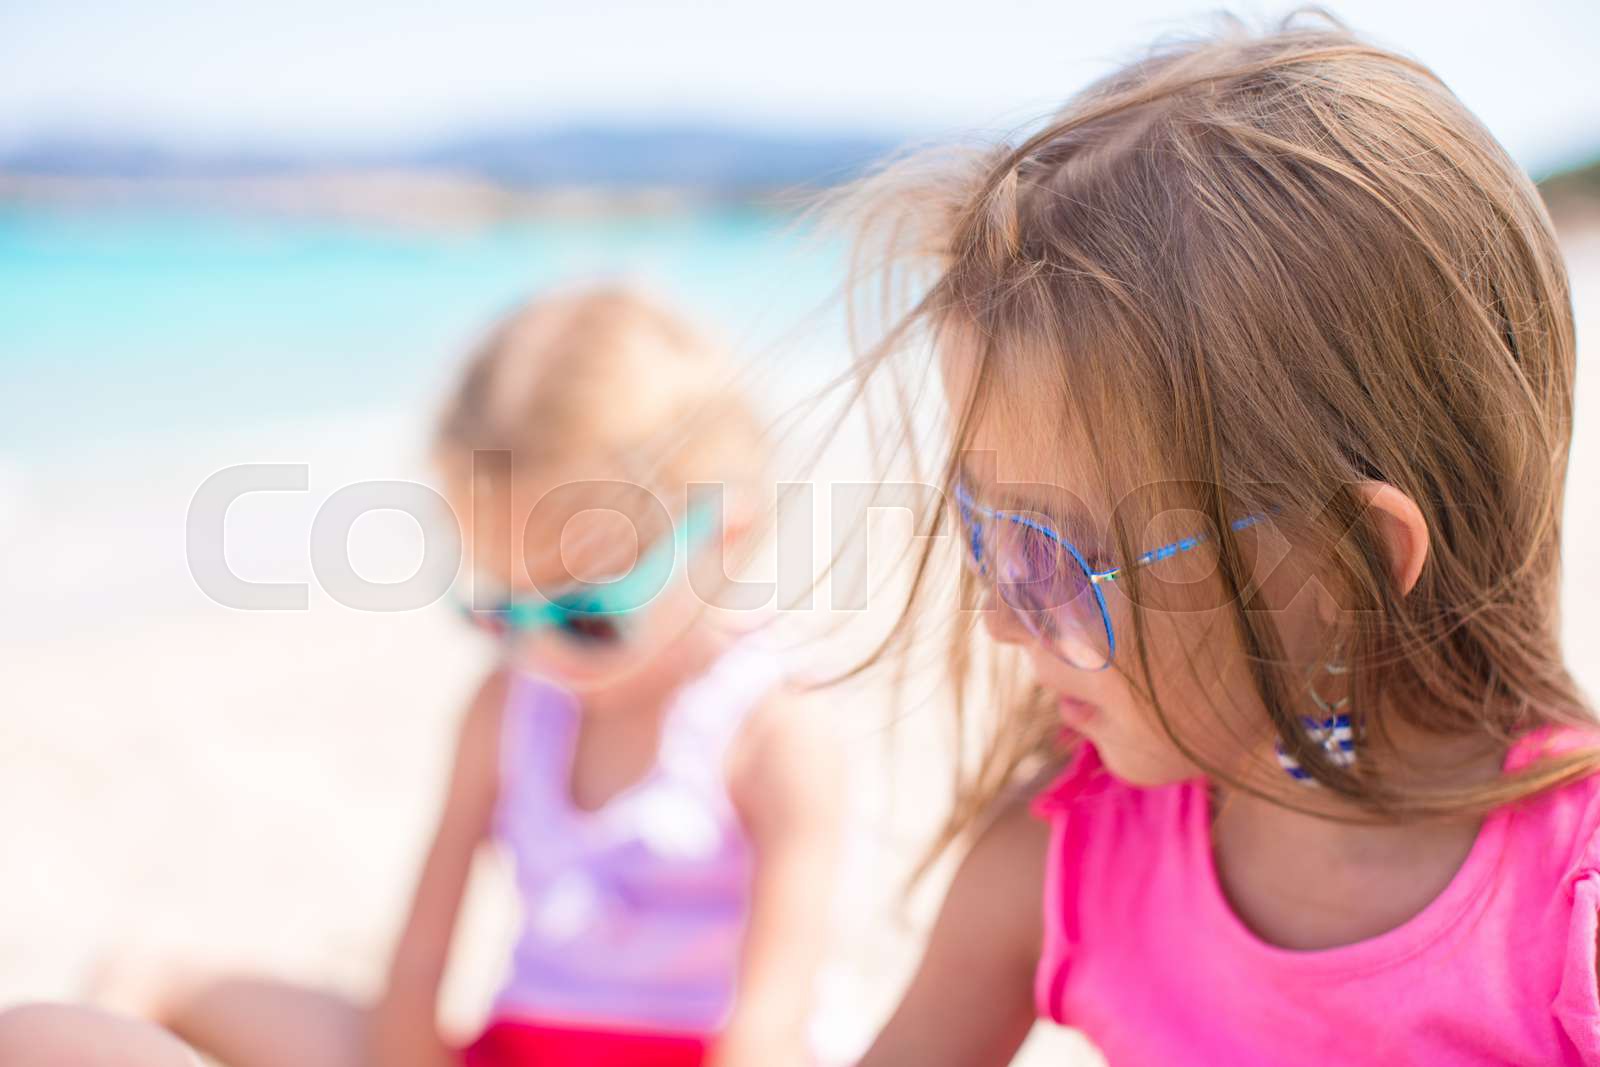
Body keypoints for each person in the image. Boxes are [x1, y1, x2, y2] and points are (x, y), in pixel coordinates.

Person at [836, 15, 1600, 1065]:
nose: (998, 615)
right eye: (984, 531)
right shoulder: (1063, 854)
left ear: (1348, 566)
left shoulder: (1570, 914)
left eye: (1053, 561)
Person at [122, 286, 843, 1067]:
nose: (543, 653)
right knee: (166, 992)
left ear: (722, 540)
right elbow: (419, 966)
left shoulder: (774, 731)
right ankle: (135, 991)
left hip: (697, 1052)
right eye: (503, 615)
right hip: (518, 1049)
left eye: (584, 615)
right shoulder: (509, 708)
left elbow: (772, 1024)